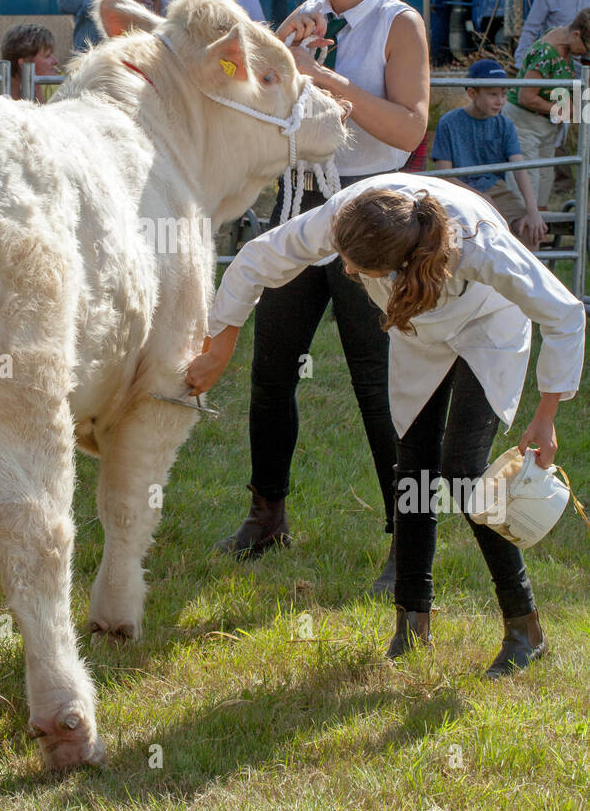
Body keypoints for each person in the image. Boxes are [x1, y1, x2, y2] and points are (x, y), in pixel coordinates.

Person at [187, 174, 585, 677]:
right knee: (413, 468)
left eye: (356, 267)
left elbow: (565, 314)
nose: (346, 270)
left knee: (463, 470)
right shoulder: (342, 218)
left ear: (404, 263)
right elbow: (255, 260)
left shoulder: (482, 248)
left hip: (489, 324)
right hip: (419, 329)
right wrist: (220, 346)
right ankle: (411, 623)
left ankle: (524, 627)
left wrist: (546, 416)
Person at [215, 0, 429, 599]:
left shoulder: (398, 24)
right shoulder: (308, 14)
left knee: (379, 382)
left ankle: (407, 541)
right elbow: (264, 103)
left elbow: (408, 127)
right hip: (302, 209)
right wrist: (280, 50)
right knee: (272, 370)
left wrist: (332, 81)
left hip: (371, 217)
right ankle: (266, 513)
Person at [432, 59, 546, 248]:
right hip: (459, 192)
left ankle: (520, 277)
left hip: (496, 191)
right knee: (460, 238)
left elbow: (519, 168)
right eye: (493, 94)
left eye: (503, 94)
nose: (500, 101)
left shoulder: (505, 124)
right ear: (472, 93)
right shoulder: (449, 123)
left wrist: (532, 210)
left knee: (530, 230)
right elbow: (444, 175)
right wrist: (480, 197)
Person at [503, 9, 590, 210]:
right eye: (586, 47)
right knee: (526, 184)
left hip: (546, 125)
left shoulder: (564, 42)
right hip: (525, 123)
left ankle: (538, 232)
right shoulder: (546, 52)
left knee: (544, 180)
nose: (585, 54)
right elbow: (527, 96)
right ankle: (521, 231)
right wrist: (558, 110)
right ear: (576, 34)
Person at [1, 24, 60, 101]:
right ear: (23, 63)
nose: (55, 61)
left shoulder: (58, 88)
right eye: (47, 55)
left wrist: (38, 94)